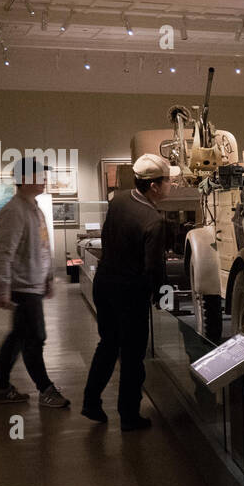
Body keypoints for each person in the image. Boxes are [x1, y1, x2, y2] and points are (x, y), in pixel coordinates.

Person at [81, 154, 171, 430]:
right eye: (168, 181)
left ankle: (91, 403)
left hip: (105, 283)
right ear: (154, 186)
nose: (171, 185)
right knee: (133, 356)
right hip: (130, 294)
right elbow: (154, 268)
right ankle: (129, 416)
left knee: (107, 345)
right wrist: (163, 296)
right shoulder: (153, 220)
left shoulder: (118, 199)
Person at [0, 158, 71, 408]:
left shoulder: (34, 208)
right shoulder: (13, 212)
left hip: (33, 285)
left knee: (18, 337)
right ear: (24, 180)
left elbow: (43, 247)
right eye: (39, 175)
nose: (44, 179)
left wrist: (47, 278)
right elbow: (4, 253)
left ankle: (1, 387)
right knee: (34, 338)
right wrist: (3, 288)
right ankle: (45, 389)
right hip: (23, 287)